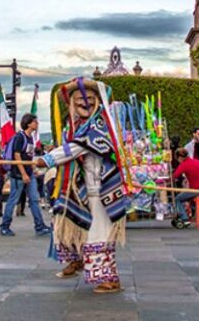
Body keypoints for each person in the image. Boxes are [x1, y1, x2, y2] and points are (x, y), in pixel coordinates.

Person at [37, 78, 129, 294]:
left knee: (100, 233)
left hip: (102, 186)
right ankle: (79, 262)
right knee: (77, 223)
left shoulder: (100, 125)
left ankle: (109, 278)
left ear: (98, 101)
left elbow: (77, 148)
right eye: (79, 99)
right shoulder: (76, 126)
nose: (85, 103)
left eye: (90, 98)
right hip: (86, 187)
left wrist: (48, 159)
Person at [0, 114, 50, 237]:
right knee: (13, 200)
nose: (37, 123)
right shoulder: (20, 137)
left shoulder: (30, 138)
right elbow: (17, 156)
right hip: (18, 175)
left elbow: (28, 156)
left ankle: (40, 226)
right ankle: (5, 226)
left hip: (28, 173)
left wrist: (33, 169)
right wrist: (23, 174)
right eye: (35, 121)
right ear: (28, 123)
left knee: (34, 199)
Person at [170, 148, 199, 227]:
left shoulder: (184, 164)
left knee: (178, 199)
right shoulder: (196, 161)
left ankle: (185, 218)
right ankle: (196, 211)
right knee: (186, 196)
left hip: (196, 190)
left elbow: (174, 176)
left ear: (180, 158)